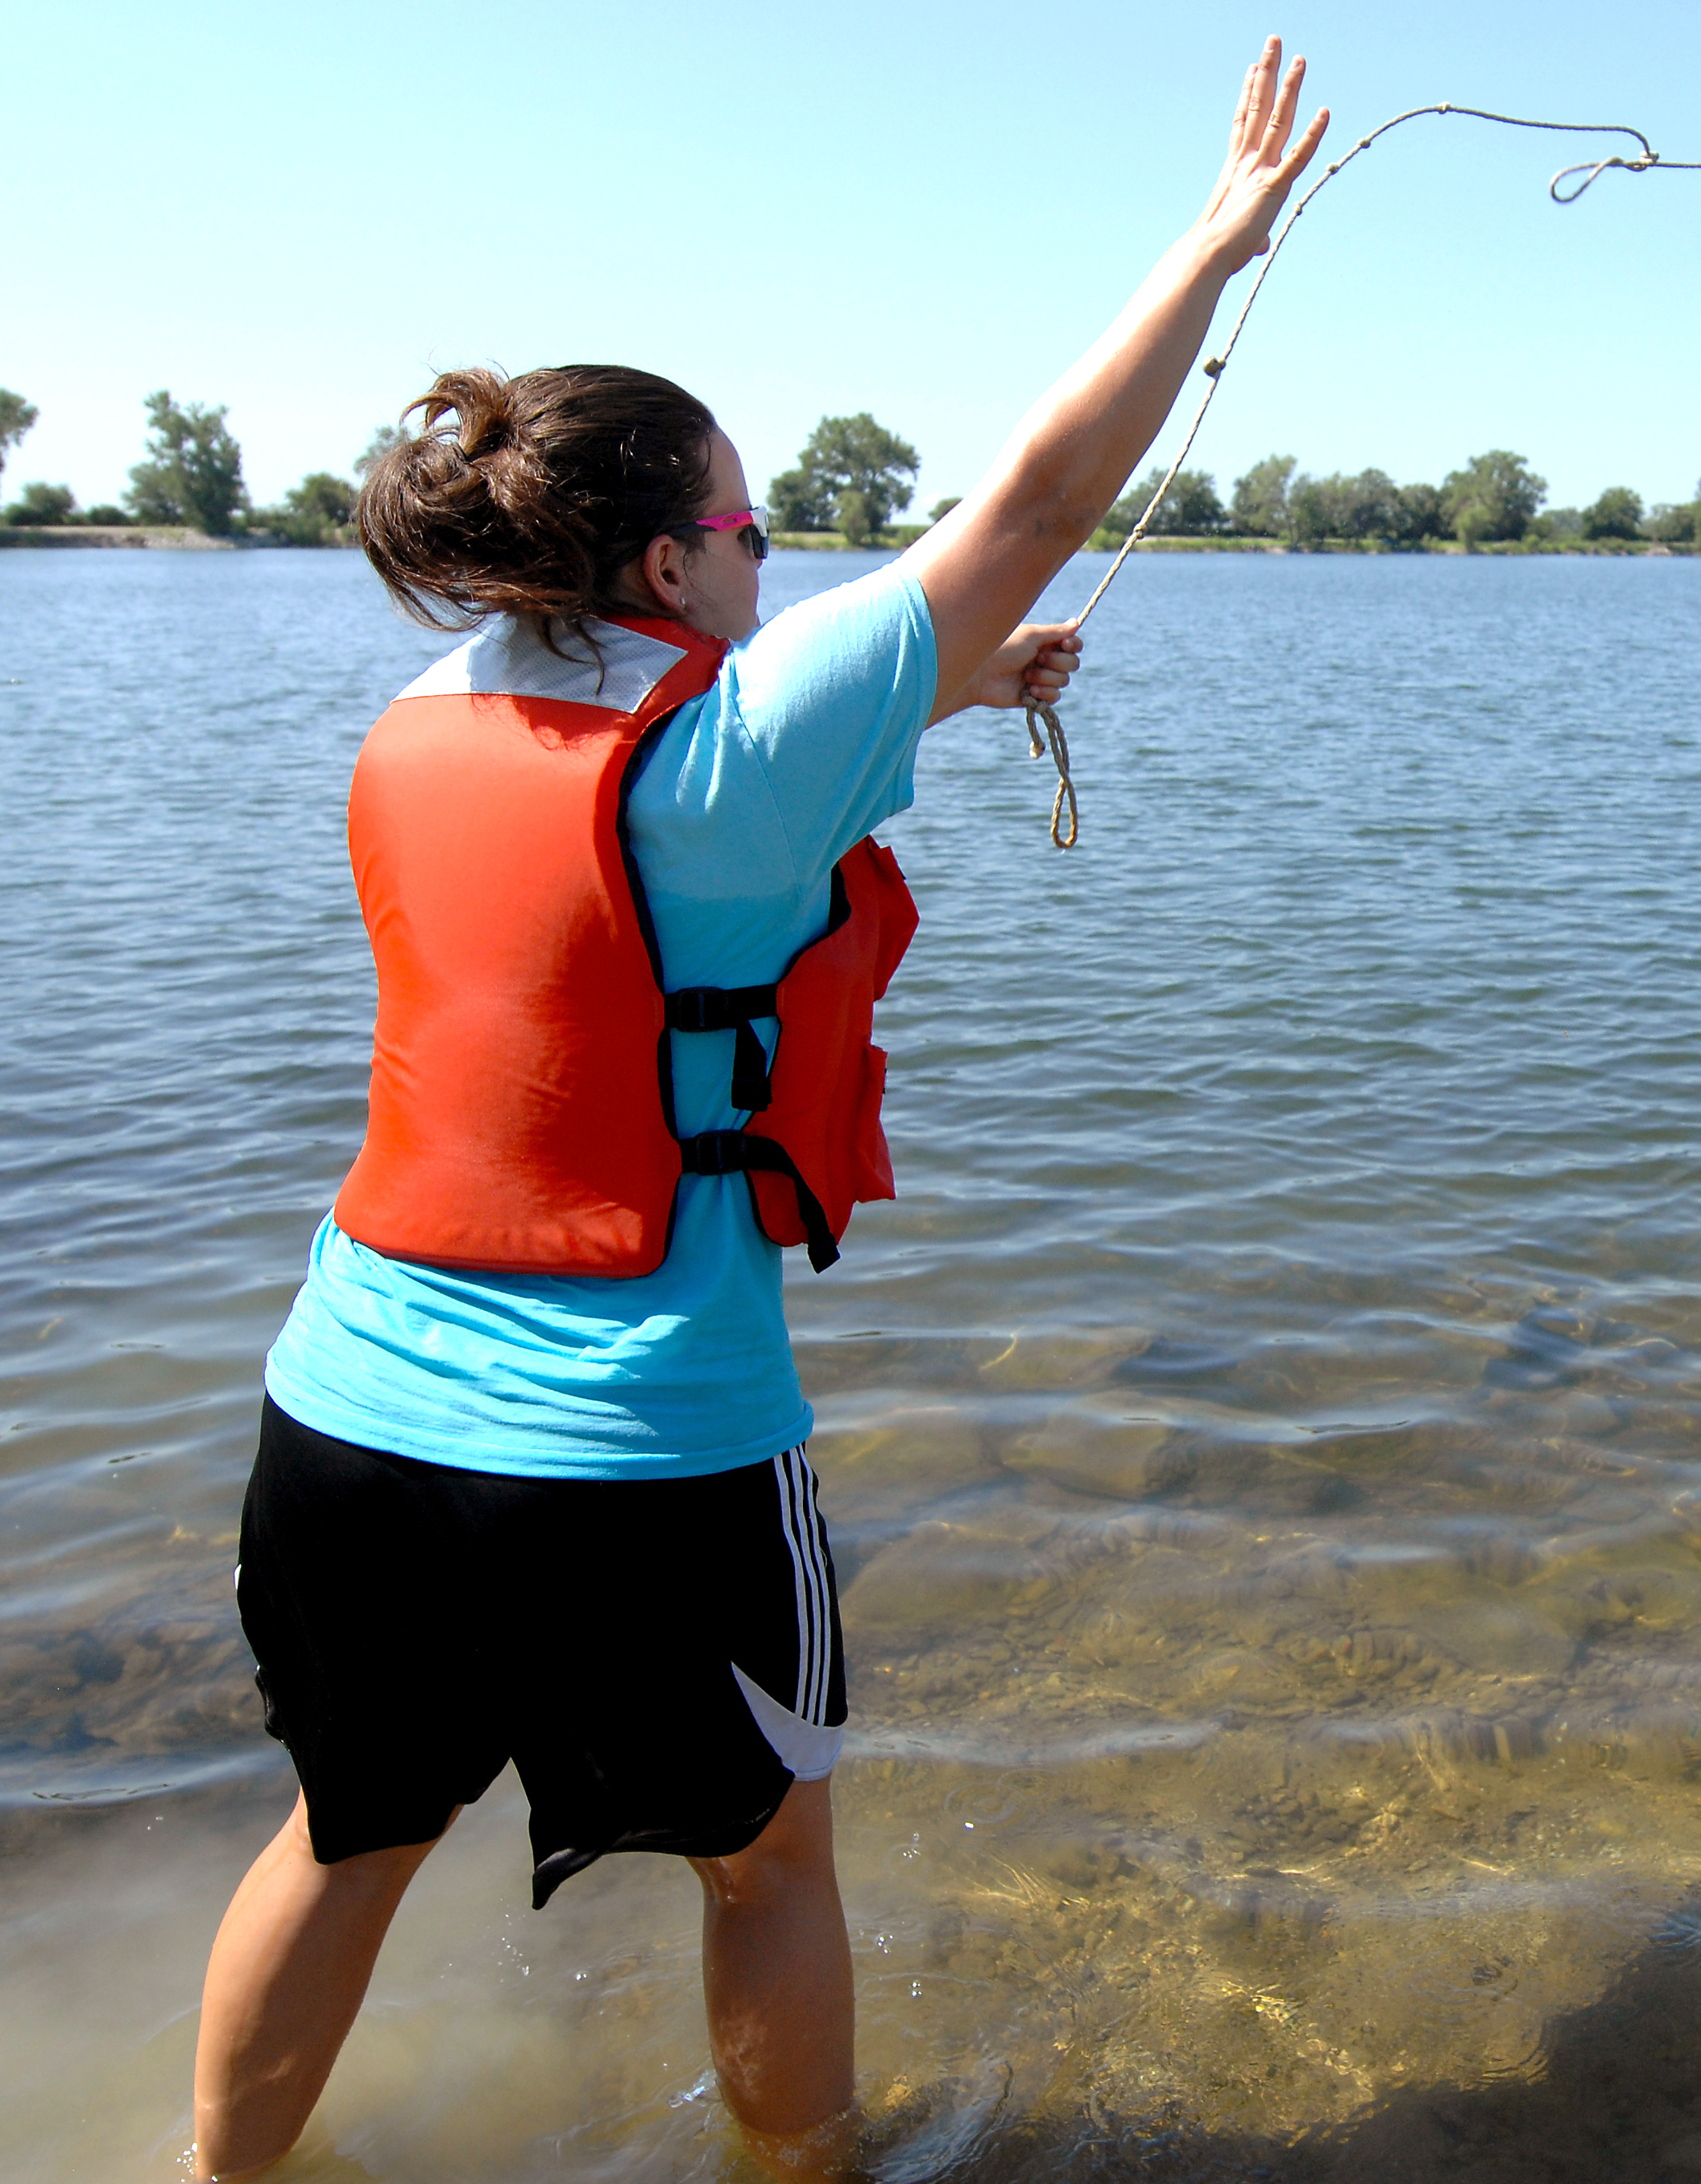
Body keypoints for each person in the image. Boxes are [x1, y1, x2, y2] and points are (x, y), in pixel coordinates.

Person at [191, 42, 1327, 2181]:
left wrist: (951, 682)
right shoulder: (736, 761)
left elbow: (651, 806)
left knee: (347, 1834)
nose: (766, 560)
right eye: (749, 527)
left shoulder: (425, 710)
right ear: (665, 558)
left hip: (341, 1418)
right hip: (639, 1449)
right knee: (768, 1864)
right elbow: (1033, 503)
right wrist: (1215, 243)